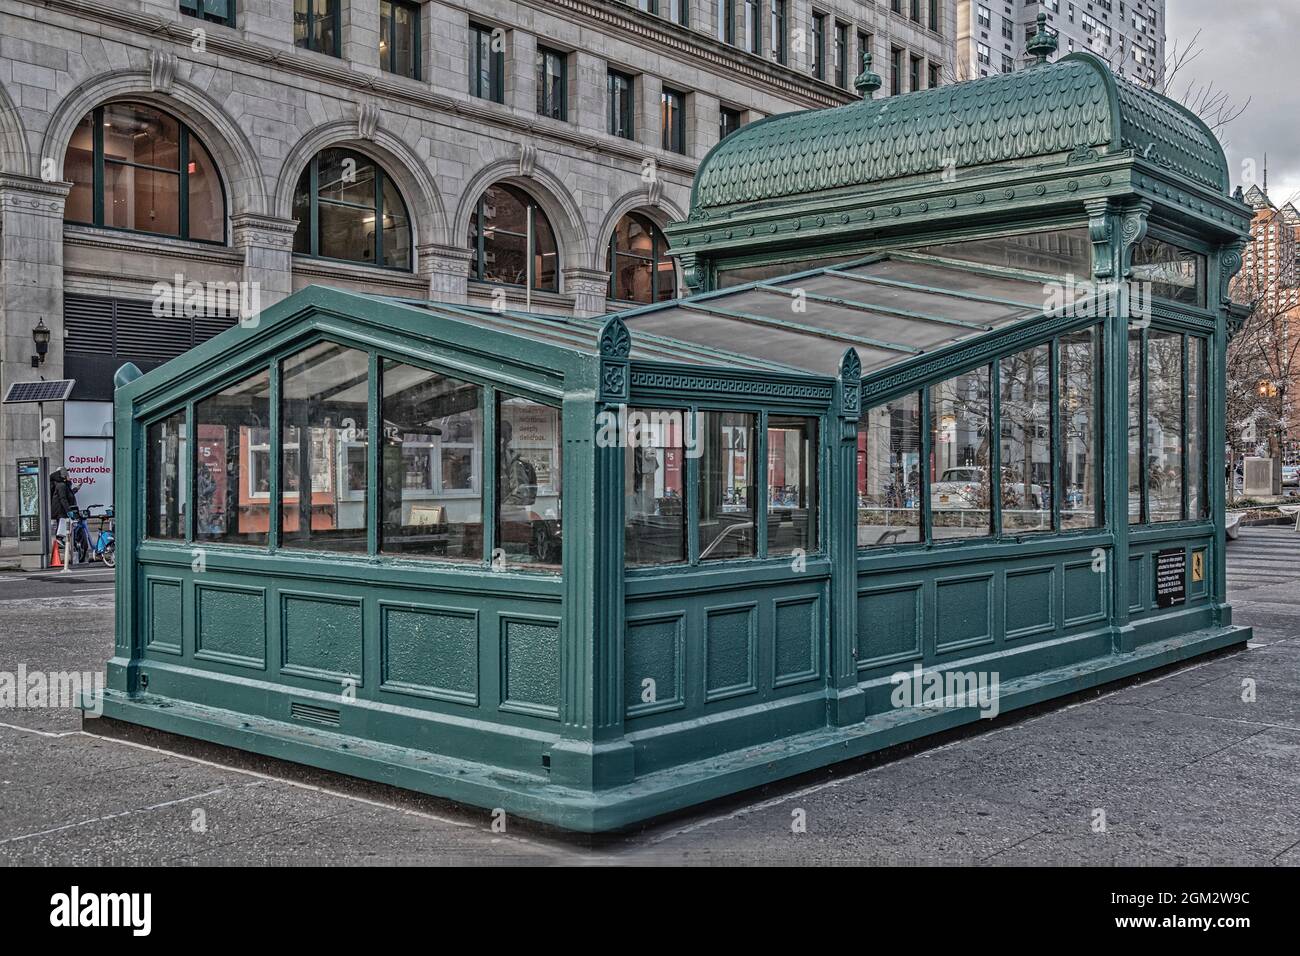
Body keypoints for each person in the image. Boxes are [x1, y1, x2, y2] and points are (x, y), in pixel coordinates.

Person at [49, 468, 83, 561]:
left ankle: (63, 540)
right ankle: (60, 539)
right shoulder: (61, 485)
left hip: (62, 510)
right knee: (63, 524)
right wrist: (68, 511)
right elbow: (63, 498)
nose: (69, 477)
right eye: (68, 476)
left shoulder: (64, 485)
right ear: (64, 477)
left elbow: (70, 494)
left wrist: (76, 488)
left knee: (66, 526)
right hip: (60, 510)